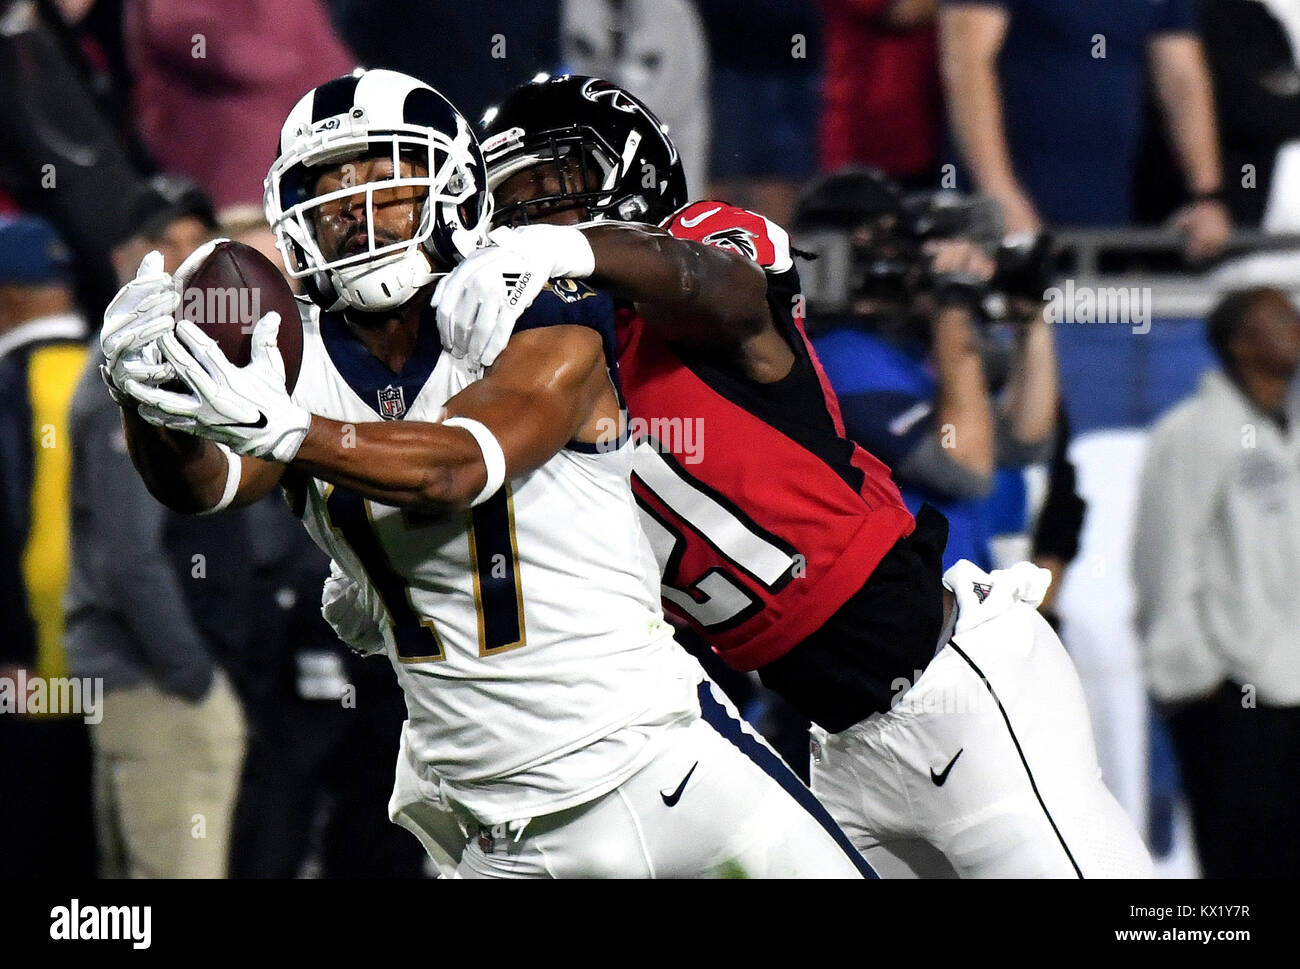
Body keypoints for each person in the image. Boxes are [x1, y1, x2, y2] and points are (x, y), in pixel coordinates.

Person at [102, 68, 872, 880]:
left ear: (456, 190)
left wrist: (292, 431)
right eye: (329, 187)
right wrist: (146, 401)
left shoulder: (532, 307)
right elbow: (200, 486)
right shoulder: (293, 357)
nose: (356, 208)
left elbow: (459, 466)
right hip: (503, 834)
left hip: (668, 773)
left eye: (384, 179)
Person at [431, 73, 1153, 877]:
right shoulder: (540, 378)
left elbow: (726, 290)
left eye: (548, 190)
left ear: (627, 176)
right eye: (508, 203)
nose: (523, 221)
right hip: (837, 742)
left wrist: (567, 249)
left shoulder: (701, 250)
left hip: (957, 689)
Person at [64, 182, 250, 878]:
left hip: (143, 681)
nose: (181, 262)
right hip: (156, 688)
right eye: (162, 243)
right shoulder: (131, 372)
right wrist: (192, 677)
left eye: (194, 242)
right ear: (123, 259)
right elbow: (131, 558)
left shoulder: (174, 362)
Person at [792, 167, 1059, 571]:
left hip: (952, 597)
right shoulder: (837, 358)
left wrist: (1031, 324)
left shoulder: (913, 350)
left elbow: (1024, 442)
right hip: (895, 603)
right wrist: (953, 302)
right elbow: (964, 468)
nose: (920, 260)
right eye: (901, 245)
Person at [1133, 287, 1300, 878]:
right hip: (1230, 694)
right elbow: (1165, 558)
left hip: (1293, 685)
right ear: (1240, 344)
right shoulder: (1193, 432)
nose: (1294, 325)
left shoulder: (1292, 431)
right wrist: (1193, 679)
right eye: (1276, 318)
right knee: (1240, 869)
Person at [940, 0, 1231, 263]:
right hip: (997, 224)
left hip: (1107, 224)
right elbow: (966, 63)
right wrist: (997, 193)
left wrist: (1205, 196)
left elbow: (1182, 78)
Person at [0, 214, 96, 877]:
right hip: (124, 668)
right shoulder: (125, 373)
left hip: (29, 675)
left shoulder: (10, 389)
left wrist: (11, 649)